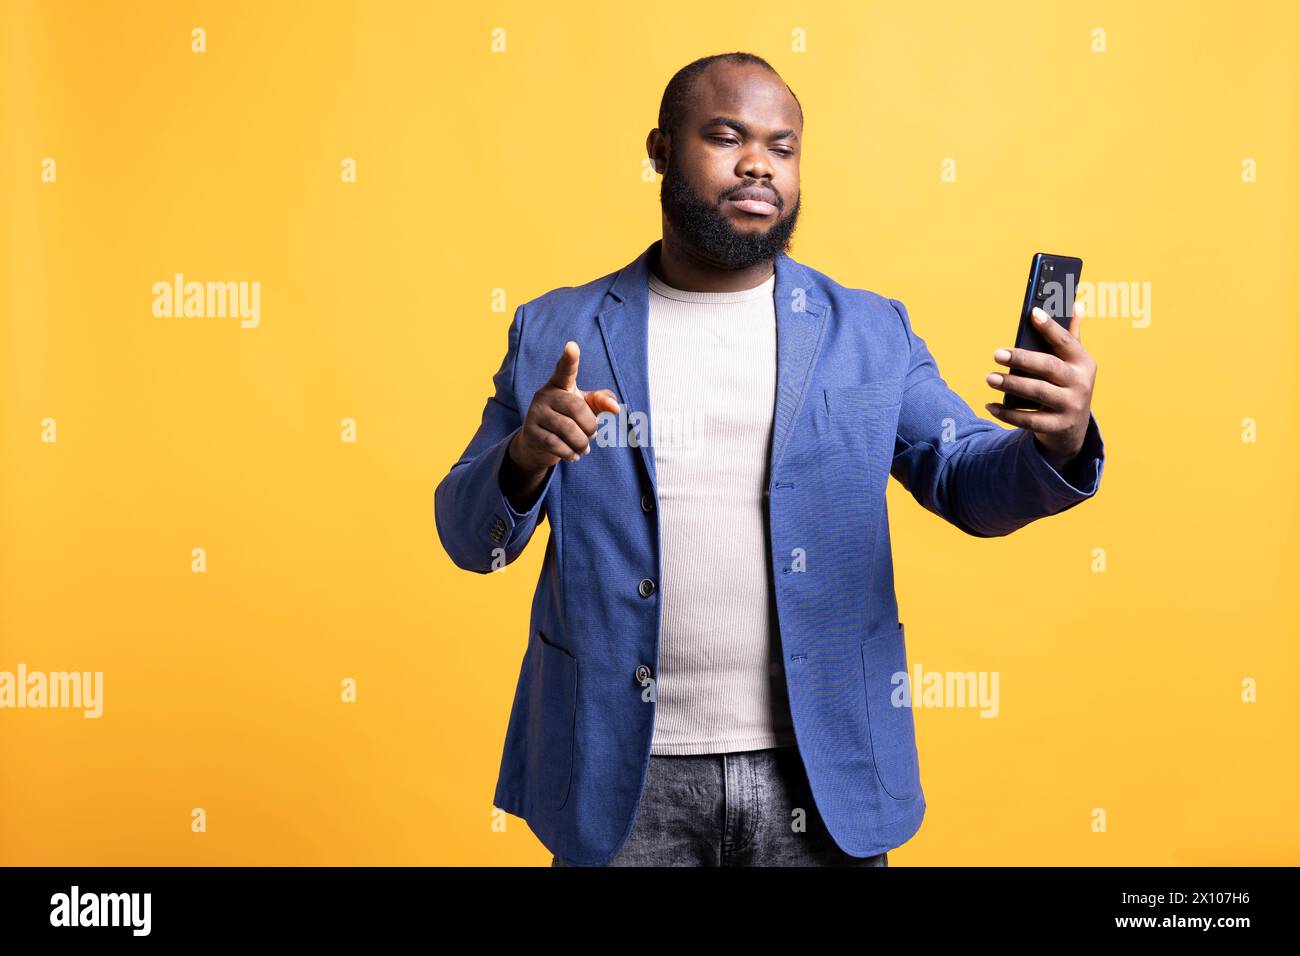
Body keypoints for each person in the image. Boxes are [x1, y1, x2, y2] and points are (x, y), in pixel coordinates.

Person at [434, 51, 1105, 866]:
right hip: (619, 778)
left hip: (821, 779)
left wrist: (1058, 439)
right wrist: (524, 459)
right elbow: (473, 540)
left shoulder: (868, 331)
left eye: (782, 147)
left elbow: (968, 481)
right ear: (659, 149)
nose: (759, 162)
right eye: (726, 136)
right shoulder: (556, 330)